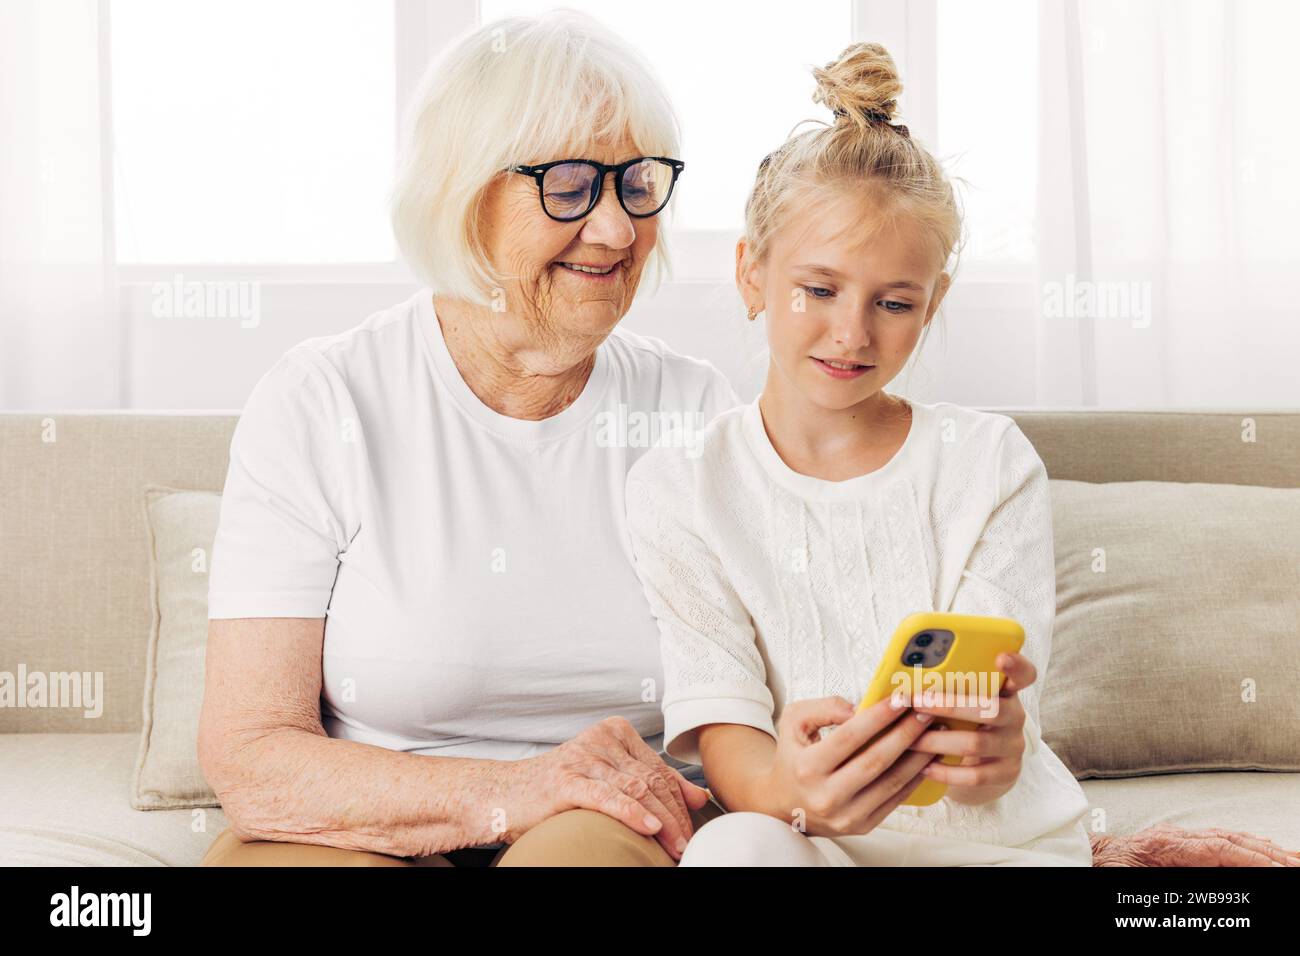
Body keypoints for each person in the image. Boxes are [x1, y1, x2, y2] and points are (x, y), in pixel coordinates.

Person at [624, 41, 1300, 867]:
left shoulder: (987, 461)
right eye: (820, 288)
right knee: (734, 848)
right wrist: (791, 787)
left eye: (895, 302)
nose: (852, 332)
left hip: (999, 851)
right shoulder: (679, 486)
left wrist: (988, 758)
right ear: (751, 274)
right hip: (814, 845)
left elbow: (990, 731)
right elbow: (733, 741)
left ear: (934, 301)